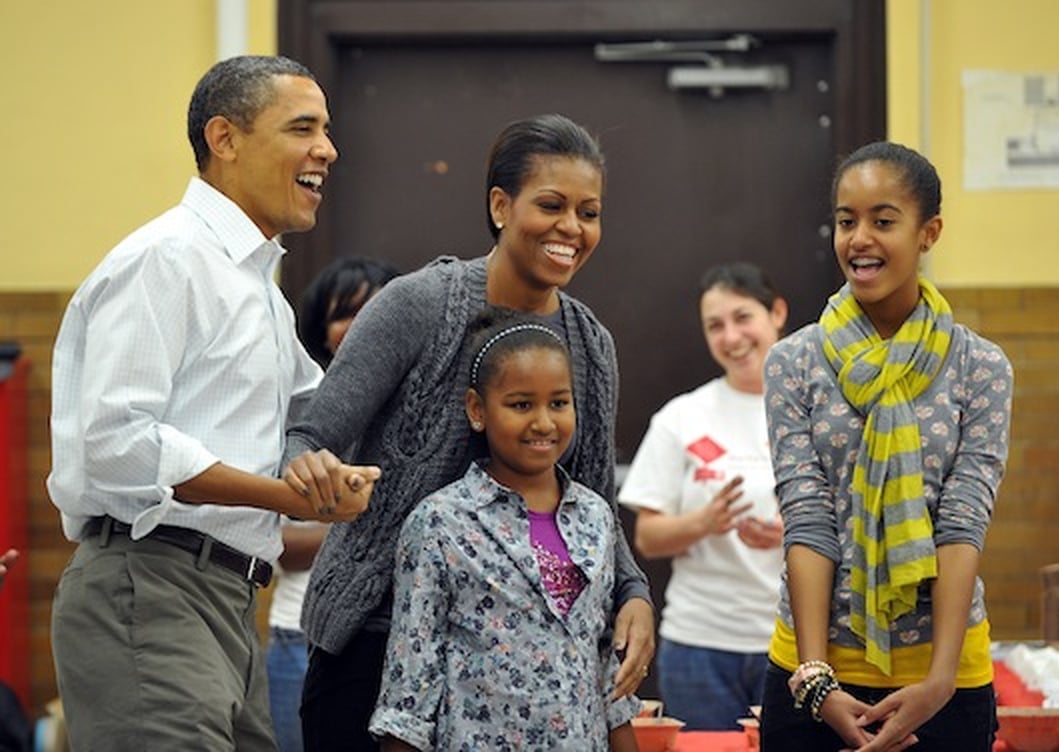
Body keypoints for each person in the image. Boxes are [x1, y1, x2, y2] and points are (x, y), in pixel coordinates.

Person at [282, 113, 655, 752]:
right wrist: (316, 471)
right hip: (375, 646)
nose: (572, 228)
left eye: (588, 212)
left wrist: (633, 591)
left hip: (515, 671)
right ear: (500, 205)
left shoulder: (591, 345)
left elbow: (589, 507)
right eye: (552, 205)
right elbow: (308, 435)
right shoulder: (417, 304)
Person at [47, 55, 378, 752]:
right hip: (149, 584)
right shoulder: (167, 259)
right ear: (225, 139)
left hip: (226, 599)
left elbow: (317, 412)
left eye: (326, 129)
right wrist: (284, 497)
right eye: (303, 128)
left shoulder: (255, 283)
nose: (328, 149)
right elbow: (118, 441)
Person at [759, 141, 1013, 752]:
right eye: (847, 221)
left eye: (883, 220)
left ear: (929, 233)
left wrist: (940, 681)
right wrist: (817, 681)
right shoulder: (794, 362)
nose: (859, 239)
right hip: (813, 670)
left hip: (944, 676)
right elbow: (808, 517)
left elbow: (961, 524)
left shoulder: (980, 366)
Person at [369, 309, 641, 750]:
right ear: (477, 410)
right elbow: (410, 688)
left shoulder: (595, 517)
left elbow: (608, 672)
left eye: (559, 402)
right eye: (520, 404)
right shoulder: (440, 523)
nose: (544, 423)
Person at [618, 262, 787, 730]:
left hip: (796, 643)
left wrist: (796, 533)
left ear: (777, 313)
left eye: (742, 317)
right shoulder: (683, 417)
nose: (731, 337)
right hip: (699, 645)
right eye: (716, 326)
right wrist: (705, 521)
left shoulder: (814, 411)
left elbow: (856, 528)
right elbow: (648, 539)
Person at [268, 255, 400, 752]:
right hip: (298, 638)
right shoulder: (304, 419)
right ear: (322, 331)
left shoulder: (419, 414)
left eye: (375, 310)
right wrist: (370, 527)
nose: (360, 325)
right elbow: (280, 546)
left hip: (394, 643)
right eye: (343, 313)